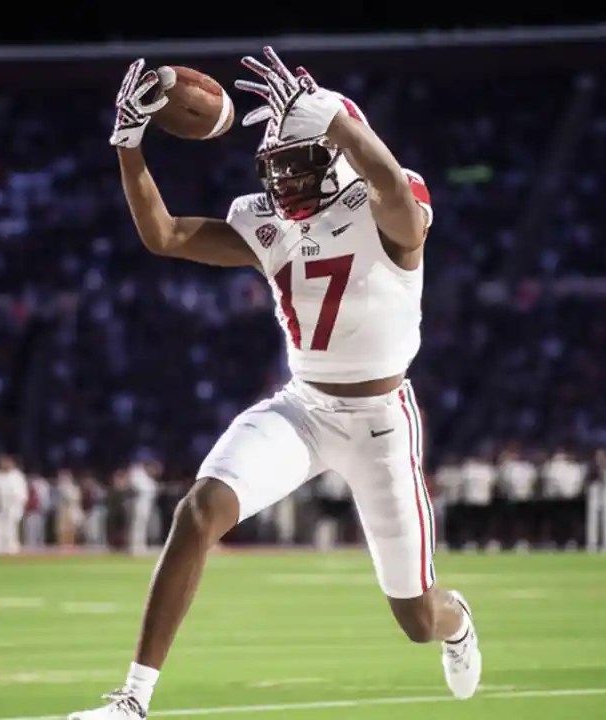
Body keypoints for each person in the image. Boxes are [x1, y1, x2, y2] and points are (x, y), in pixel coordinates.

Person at [69, 48, 480, 720]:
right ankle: (132, 701)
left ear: (337, 159)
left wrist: (343, 122)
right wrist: (128, 145)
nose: (283, 177)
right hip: (304, 407)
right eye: (276, 164)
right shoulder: (270, 224)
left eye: (298, 160)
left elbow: (395, 196)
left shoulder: (388, 205)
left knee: (416, 617)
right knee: (199, 511)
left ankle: (457, 621)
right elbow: (166, 234)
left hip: (381, 423)